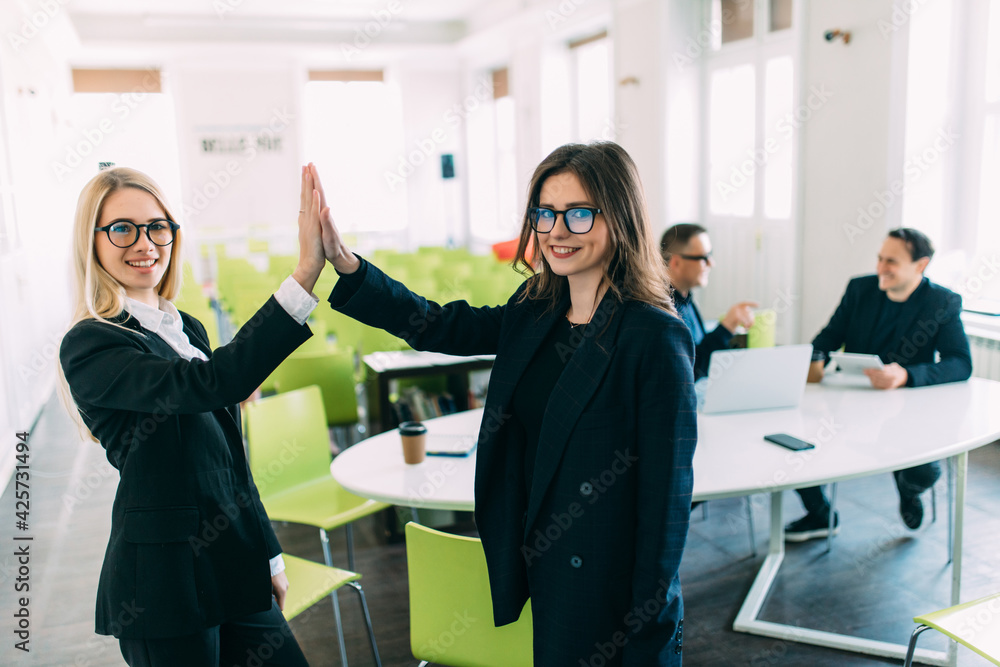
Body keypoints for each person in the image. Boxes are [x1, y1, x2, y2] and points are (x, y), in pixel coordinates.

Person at [313, 143, 697, 665]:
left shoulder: (653, 335)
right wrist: (347, 265)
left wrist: (648, 619)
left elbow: (666, 501)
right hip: (546, 560)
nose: (556, 231)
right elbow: (439, 324)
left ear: (621, 218)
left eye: (579, 214)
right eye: (545, 213)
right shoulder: (536, 306)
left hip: (612, 582)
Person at [58, 166, 326, 666]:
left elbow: (232, 463)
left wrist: (268, 552)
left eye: (157, 227)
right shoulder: (92, 343)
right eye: (122, 228)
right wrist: (305, 273)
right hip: (163, 589)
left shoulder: (188, 329)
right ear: (91, 241)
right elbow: (210, 384)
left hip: (234, 561)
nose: (145, 243)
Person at [785, 228, 973, 541]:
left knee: (925, 472)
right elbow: (828, 338)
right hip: (850, 400)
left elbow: (960, 362)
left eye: (891, 262)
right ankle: (820, 514)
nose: (880, 267)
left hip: (906, 407)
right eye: (880, 258)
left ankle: (908, 490)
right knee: (796, 441)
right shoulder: (860, 289)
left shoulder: (942, 301)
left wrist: (906, 376)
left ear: (921, 265)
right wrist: (811, 360)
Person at [660, 224, 757, 379]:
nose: (711, 263)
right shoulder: (664, 310)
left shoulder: (685, 298)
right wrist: (726, 327)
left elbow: (699, 349)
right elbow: (690, 371)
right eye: (703, 258)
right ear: (676, 262)